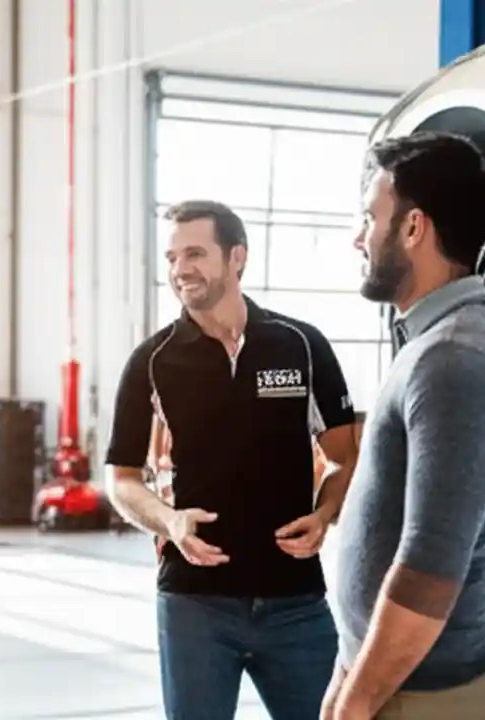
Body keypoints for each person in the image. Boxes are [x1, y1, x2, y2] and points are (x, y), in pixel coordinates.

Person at [105, 199, 360, 719]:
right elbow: (122, 478)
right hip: (194, 604)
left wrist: (325, 514)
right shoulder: (152, 361)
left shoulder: (301, 345)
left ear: (237, 257)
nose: (180, 269)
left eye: (195, 254)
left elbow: (345, 458)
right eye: (172, 257)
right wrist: (170, 521)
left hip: (295, 600)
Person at [324, 132, 485, 720]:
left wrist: (355, 703)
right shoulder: (433, 343)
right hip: (392, 681)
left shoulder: (454, 359)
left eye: (371, 218)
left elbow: (429, 571)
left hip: (426, 696)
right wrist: (347, 670)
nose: (359, 237)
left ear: (414, 228)